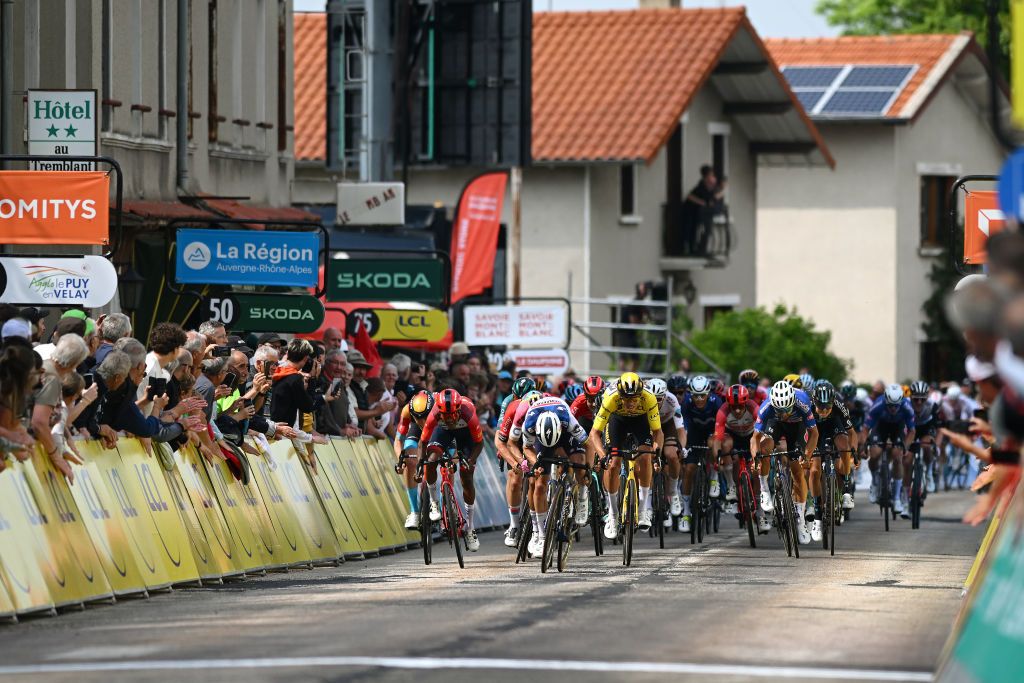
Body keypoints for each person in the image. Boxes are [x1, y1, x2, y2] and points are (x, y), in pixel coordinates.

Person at [589, 372, 663, 539]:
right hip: (617, 420)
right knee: (613, 463)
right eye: (626, 399)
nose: (630, 403)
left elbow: (658, 432)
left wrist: (656, 450)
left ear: (640, 395)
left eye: (634, 399)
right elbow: (594, 433)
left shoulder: (649, 398)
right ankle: (613, 514)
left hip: (640, 420)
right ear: (620, 395)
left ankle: (643, 509)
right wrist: (602, 455)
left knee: (645, 457)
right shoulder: (610, 397)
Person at [515, 396, 591, 559]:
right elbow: (527, 448)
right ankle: (542, 536)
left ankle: (582, 496)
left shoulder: (568, 420)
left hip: (565, 434)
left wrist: (588, 468)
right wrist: (535, 464)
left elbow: (587, 443)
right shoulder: (529, 424)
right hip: (542, 440)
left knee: (579, 463)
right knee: (540, 485)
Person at [416, 388, 484, 551]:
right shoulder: (434, 415)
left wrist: (470, 461)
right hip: (443, 432)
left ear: (459, 410)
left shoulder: (469, 413)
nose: (449, 419)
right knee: (431, 461)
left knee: (466, 477)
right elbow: (423, 442)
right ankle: (434, 503)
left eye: (452, 415)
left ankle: (470, 528)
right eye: (445, 416)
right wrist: (420, 462)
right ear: (439, 412)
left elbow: (479, 443)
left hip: (465, 435)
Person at [753, 380, 819, 545]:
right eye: (779, 410)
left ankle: (801, 522)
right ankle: (764, 488)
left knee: (797, 471)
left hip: (797, 427)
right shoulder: (767, 406)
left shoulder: (803, 402)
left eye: (787, 410)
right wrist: (755, 458)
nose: (783, 414)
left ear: (793, 402)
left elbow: (814, 434)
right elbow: (754, 438)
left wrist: (807, 455)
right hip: (775, 425)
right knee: (764, 449)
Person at [30, 333, 90, 481]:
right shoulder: (52, 379)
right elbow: (39, 422)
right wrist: (56, 456)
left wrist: (61, 449)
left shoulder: (44, 366)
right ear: (73, 364)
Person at [807, 380, 857, 541]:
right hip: (814, 432)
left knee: (844, 445)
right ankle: (817, 517)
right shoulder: (807, 407)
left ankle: (847, 489)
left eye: (827, 408)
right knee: (815, 470)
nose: (823, 411)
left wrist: (853, 452)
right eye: (820, 407)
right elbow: (801, 433)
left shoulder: (838, 406)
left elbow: (852, 433)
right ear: (814, 401)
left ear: (833, 402)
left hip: (834, 426)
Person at [713, 383, 764, 529]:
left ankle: (759, 510)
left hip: (751, 437)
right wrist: (717, 457)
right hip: (733, 437)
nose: (737, 410)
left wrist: (760, 455)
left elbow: (762, 433)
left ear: (746, 403)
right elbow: (717, 439)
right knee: (727, 448)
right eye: (733, 406)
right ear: (728, 404)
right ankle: (731, 485)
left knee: (756, 470)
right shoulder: (723, 411)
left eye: (740, 406)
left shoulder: (754, 408)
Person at [677, 375, 724, 533]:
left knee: (712, 445)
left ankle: (714, 478)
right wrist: (684, 447)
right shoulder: (686, 403)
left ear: (708, 394)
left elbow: (720, 426)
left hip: (711, 431)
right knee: (689, 469)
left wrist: (716, 440)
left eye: (702, 395)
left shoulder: (716, 402)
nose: (699, 399)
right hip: (694, 432)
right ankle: (686, 513)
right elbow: (684, 427)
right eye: (695, 395)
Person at [862, 384, 916, 514]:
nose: (893, 408)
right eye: (890, 405)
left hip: (898, 428)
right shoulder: (878, 405)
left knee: (897, 457)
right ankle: (875, 482)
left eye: (896, 406)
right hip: (880, 427)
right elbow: (865, 429)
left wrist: (905, 447)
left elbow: (912, 431)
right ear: (885, 401)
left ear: (901, 402)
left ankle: (896, 498)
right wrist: (863, 446)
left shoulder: (907, 407)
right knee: (875, 454)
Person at [394, 391, 436, 529]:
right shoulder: (407, 411)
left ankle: (446, 506)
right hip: (415, 430)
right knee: (409, 460)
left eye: (424, 417)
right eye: (418, 417)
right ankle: (414, 512)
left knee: (448, 463)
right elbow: (398, 441)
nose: (422, 421)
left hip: (437, 426)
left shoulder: (438, 408)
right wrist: (401, 460)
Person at [683, 164, 724, 256]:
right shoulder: (701, 187)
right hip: (693, 212)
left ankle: (700, 248)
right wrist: (703, 203)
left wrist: (714, 199)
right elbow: (691, 197)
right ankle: (694, 248)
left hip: (701, 214)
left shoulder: (710, 187)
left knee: (704, 230)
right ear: (706, 176)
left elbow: (714, 198)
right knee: (693, 231)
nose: (713, 178)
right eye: (711, 175)